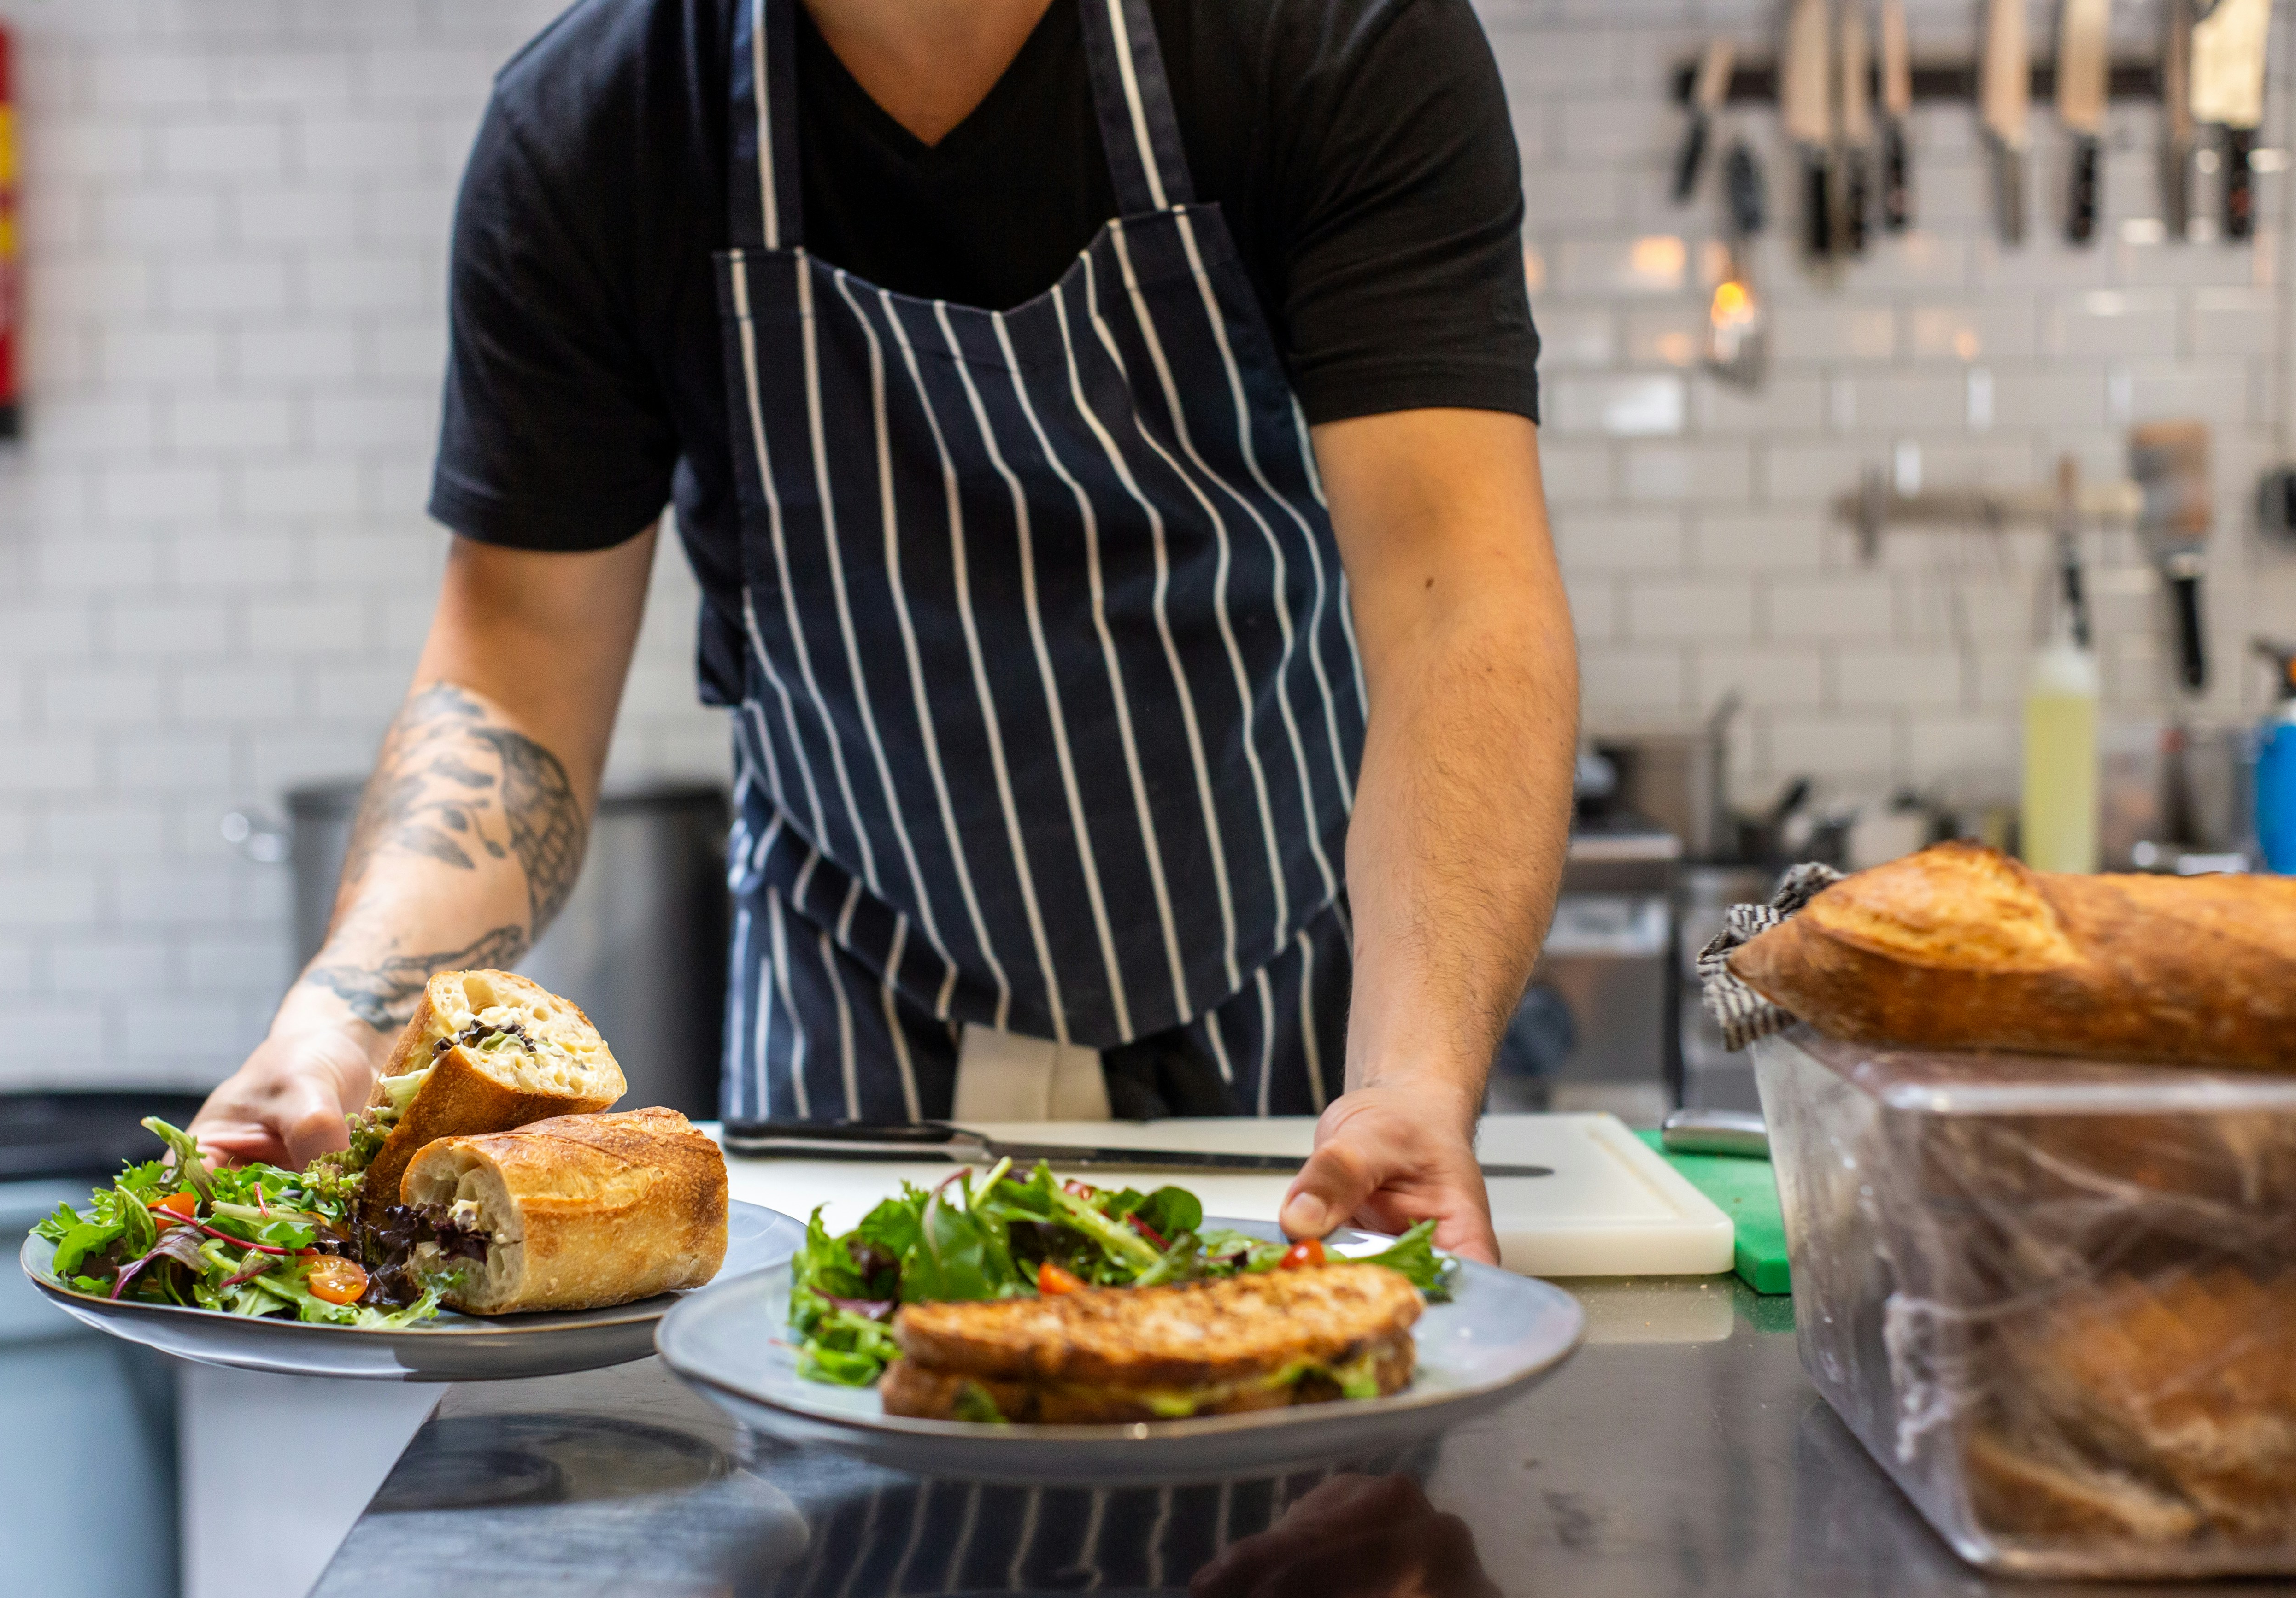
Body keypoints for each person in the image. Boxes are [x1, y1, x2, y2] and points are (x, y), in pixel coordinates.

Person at [191, 0, 1576, 1264]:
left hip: (1294, 1044)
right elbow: (515, 671)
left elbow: (1457, 594)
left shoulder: (1325, 38)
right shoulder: (597, 127)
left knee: (1301, 1529)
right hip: (842, 1050)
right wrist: (344, 1019)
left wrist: (1408, 1076)